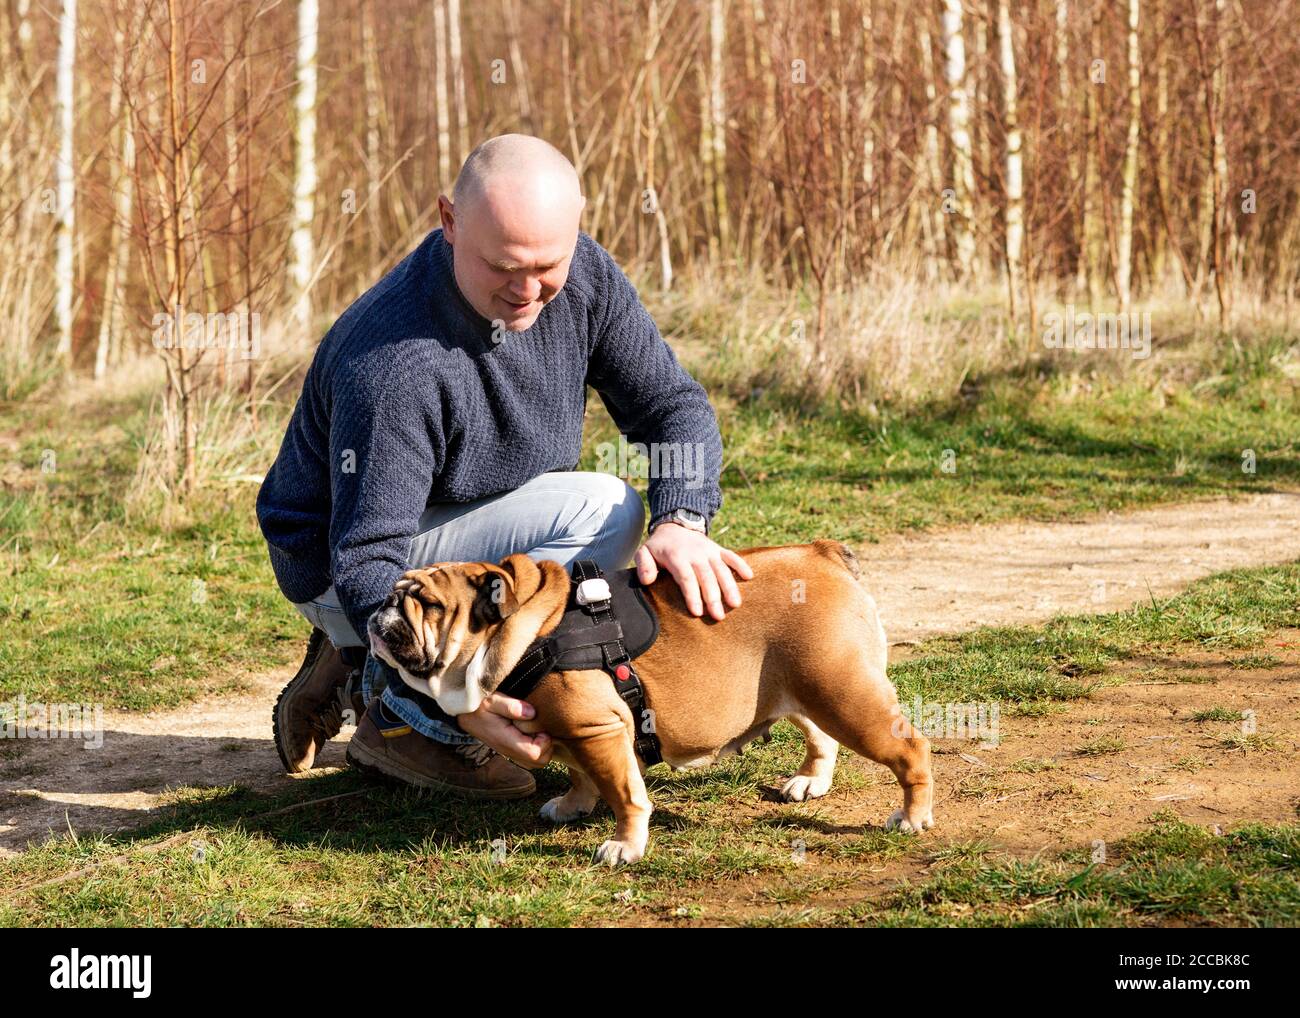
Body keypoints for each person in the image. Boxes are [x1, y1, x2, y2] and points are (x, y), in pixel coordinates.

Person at [256, 134, 752, 797]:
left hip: (447, 531)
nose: (526, 291)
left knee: (613, 513)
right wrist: (454, 699)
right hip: (340, 558)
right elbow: (367, 557)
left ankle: (365, 660)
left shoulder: (588, 277)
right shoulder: (393, 363)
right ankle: (408, 723)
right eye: (502, 267)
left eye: (547, 265)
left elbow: (670, 406)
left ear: (577, 223)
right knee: (603, 515)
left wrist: (683, 521)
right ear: (450, 220)